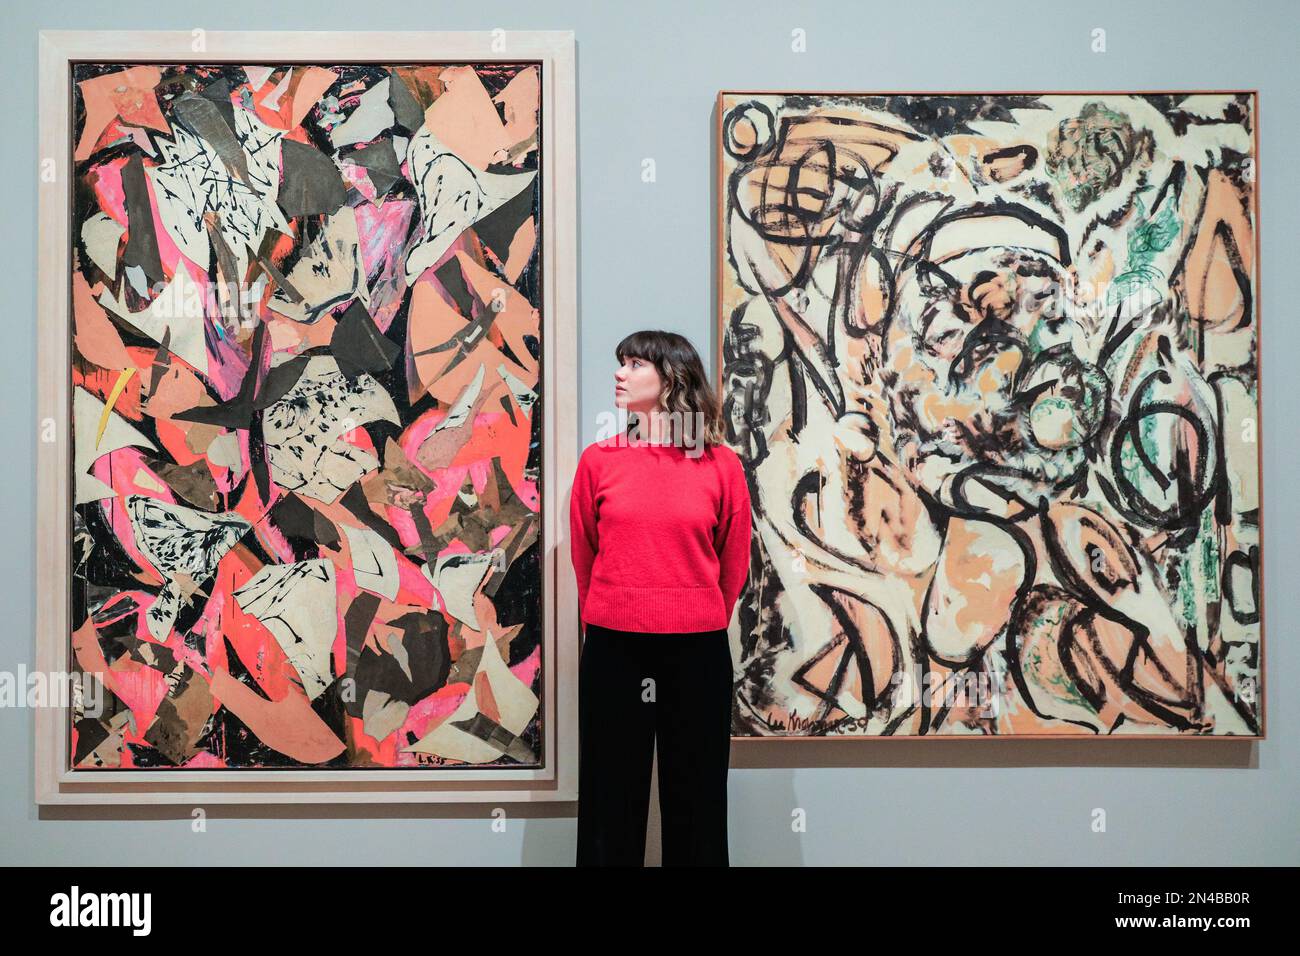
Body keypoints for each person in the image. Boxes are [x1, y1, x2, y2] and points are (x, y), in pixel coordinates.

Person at [569, 329, 753, 867]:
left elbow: (732, 564)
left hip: (696, 651)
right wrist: (606, 613)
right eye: (619, 362)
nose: (619, 374)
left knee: (697, 802)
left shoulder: (721, 467)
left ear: (670, 375)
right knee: (608, 801)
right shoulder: (599, 461)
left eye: (633, 363)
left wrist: (697, 611)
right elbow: (586, 555)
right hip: (614, 649)